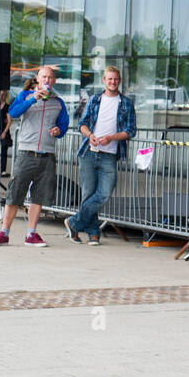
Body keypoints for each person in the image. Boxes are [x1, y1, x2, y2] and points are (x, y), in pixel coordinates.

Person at [0, 65, 68, 248]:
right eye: (44, 77)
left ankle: (31, 234)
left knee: (39, 196)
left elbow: (64, 124)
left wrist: (59, 130)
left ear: (54, 81)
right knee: (15, 193)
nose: (47, 80)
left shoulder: (58, 102)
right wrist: (32, 98)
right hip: (26, 153)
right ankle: (4, 232)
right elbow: (13, 113)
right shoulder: (25, 96)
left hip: (47, 154)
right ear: (37, 79)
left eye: (50, 77)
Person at [66, 67, 137, 246]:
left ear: (119, 81)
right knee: (88, 194)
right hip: (89, 152)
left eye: (116, 79)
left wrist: (111, 138)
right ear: (104, 80)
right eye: (109, 79)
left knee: (104, 193)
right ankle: (93, 232)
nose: (113, 82)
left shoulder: (126, 103)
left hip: (110, 155)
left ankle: (73, 223)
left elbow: (130, 131)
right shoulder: (94, 99)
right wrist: (90, 135)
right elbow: (82, 124)